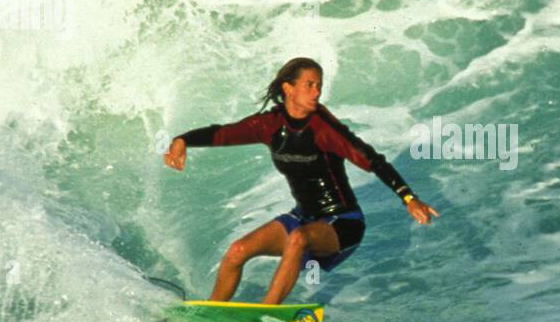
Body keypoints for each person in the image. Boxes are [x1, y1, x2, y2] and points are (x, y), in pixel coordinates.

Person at [164, 57, 439, 304]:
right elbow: (223, 133)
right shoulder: (269, 125)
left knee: (297, 239)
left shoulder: (325, 129)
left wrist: (409, 198)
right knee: (238, 251)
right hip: (303, 218)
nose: (316, 92)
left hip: (342, 223)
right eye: (309, 85)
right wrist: (183, 140)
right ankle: (213, 312)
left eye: (319, 85)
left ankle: (265, 314)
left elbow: (373, 160)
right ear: (288, 88)